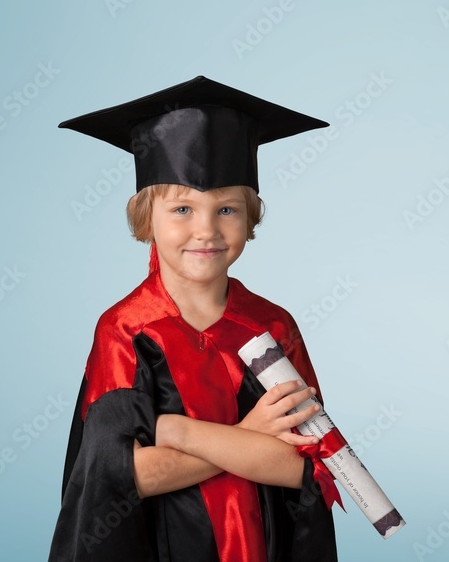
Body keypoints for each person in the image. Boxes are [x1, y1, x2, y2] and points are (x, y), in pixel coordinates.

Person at [48, 76, 340, 562]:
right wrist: (249, 437)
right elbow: (121, 479)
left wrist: (174, 431)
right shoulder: (126, 330)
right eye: (182, 208)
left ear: (250, 217)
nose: (206, 229)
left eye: (226, 208)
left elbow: (304, 467)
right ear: (145, 218)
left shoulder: (273, 328)